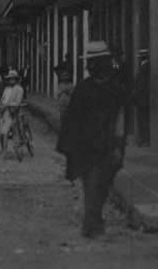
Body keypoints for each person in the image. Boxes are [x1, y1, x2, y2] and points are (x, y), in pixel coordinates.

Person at [56, 41, 127, 239]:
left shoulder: (115, 88)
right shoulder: (83, 89)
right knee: (92, 184)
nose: (93, 66)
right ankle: (92, 225)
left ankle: (93, 222)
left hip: (108, 146)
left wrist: (119, 146)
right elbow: (73, 121)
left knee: (102, 186)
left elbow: (120, 118)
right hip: (88, 148)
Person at [0, 69, 25, 155]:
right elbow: (2, 100)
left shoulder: (19, 89)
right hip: (4, 112)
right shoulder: (6, 89)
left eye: (13, 79)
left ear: (16, 80)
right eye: (10, 79)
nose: (11, 80)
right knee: (1, 133)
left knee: (6, 132)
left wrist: (9, 105)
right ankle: (3, 149)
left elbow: (18, 101)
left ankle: (5, 151)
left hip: (14, 112)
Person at [132, 49, 151, 147]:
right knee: (143, 120)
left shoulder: (145, 67)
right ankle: (143, 139)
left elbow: (142, 85)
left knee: (143, 120)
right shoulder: (145, 67)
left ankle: (145, 139)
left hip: (142, 99)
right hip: (142, 99)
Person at [52, 53, 73, 123]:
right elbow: (55, 69)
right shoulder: (67, 64)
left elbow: (55, 69)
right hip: (66, 85)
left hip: (64, 85)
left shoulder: (65, 64)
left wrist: (59, 74)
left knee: (64, 109)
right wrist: (59, 74)